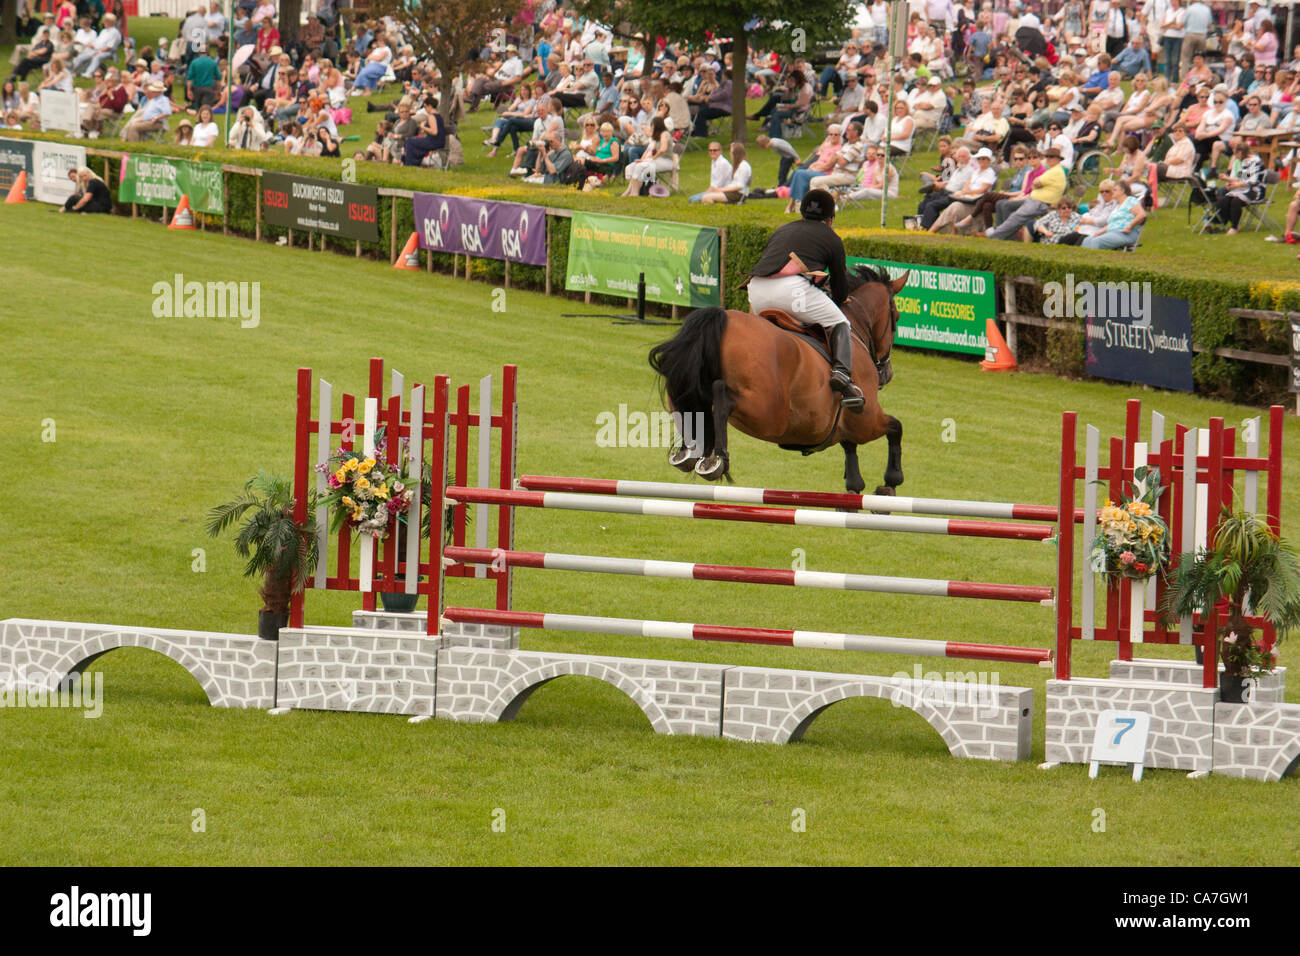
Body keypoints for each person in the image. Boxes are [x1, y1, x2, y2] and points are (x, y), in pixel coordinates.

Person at [746, 189, 865, 410]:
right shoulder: (832, 238)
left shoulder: (782, 230)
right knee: (841, 322)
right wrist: (839, 301)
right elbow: (840, 289)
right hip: (792, 291)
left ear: (802, 214)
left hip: (756, 288)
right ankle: (842, 374)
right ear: (830, 220)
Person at [986, 146, 1068, 239]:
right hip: (1035, 200)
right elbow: (1033, 185)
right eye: (1047, 157)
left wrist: (1034, 187)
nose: (1048, 159)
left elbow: (1035, 183)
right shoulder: (1050, 170)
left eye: (1051, 157)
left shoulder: (1054, 171)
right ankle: (998, 235)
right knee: (1004, 208)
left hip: (1039, 202)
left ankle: (994, 236)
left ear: (1058, 159)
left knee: (1013, 215)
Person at [1207, 141, 1265, 233]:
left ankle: (1234, 227)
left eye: (1235, 154)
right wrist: (1228, 180)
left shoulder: (1254, 161)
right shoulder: (1244, 161)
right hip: (1243, 189)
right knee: (1224, 200)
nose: (1235, 157)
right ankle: (1232, 223)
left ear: (1240, 152)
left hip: (1255, 190)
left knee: (1235, 201)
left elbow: (1252, 181)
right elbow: (1241, 178)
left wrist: (1237, 184)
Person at [1081, 180, 1147, 247]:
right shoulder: (1118, 206)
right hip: (1112, 232)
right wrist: (1099, 232)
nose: (1113, 192)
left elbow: (1142, 215)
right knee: (1087, 240)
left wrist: (1129, 226)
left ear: (1122, 191)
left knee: (1096, 241)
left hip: (1125, 233)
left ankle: (1097, 257)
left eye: (1115, 190)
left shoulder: (1130, 200)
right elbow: (1112, 224)